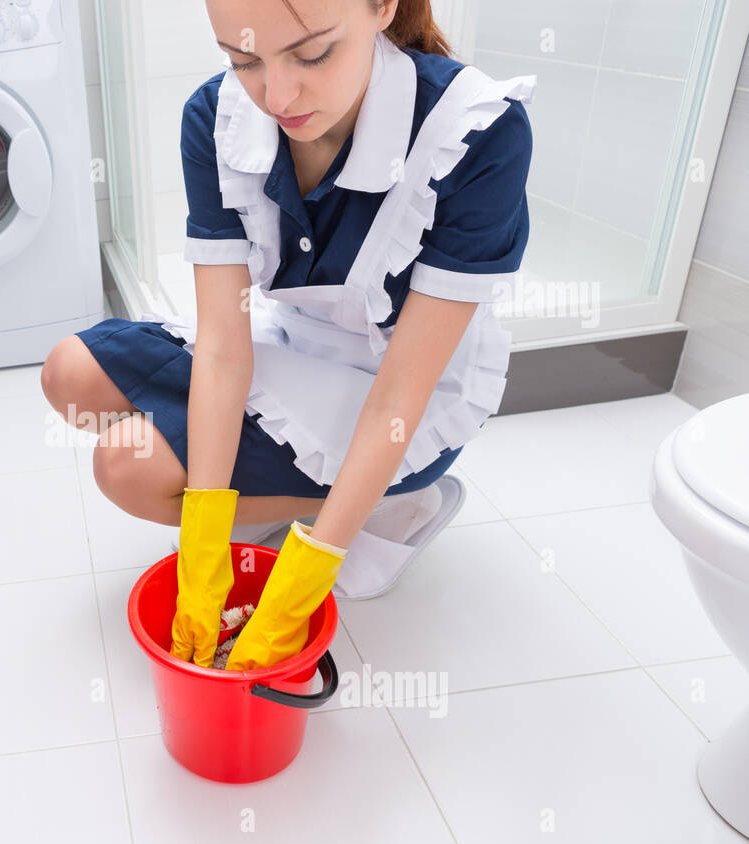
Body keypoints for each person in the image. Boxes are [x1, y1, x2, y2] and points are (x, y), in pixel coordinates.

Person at [40, 0, 535, 669]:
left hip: (402, 395)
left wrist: (306, 577)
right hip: (292, 346)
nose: (276, 96)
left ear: (382, 8)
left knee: (128, 469)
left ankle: (395, 500)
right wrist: (205, 542)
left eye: (313, 53)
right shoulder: (216, 118)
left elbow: (398, 400)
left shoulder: (474, 134)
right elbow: (222, 344)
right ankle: (286, 487)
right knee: (71, 374)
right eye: (243, 58)